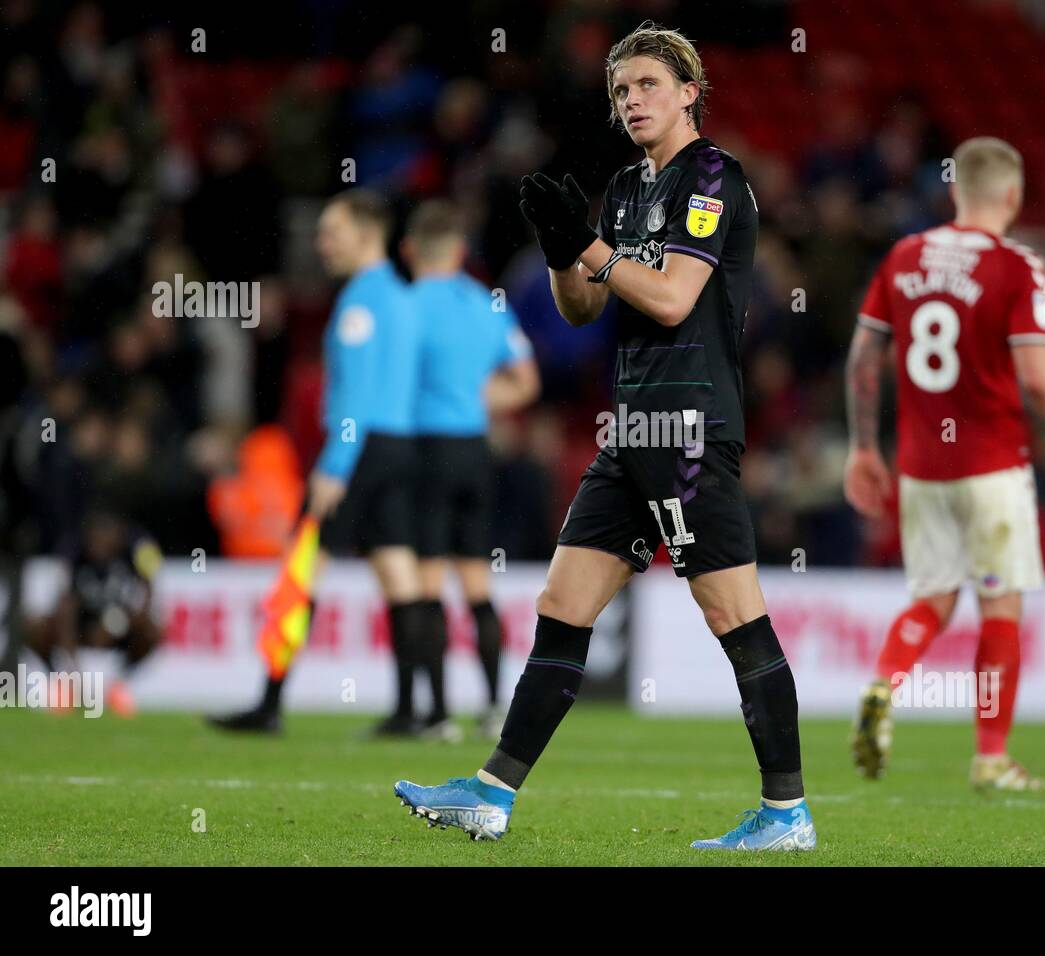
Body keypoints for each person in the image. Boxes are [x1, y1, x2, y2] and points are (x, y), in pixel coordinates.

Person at [394, 23, 816, 851]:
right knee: (562, 602)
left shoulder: (715, 178)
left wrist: (588, 244)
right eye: (621, 91)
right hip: (632, 427)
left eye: (649, 85)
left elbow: (668, 299)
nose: (632, 102)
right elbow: (584, 308)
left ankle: (787, 811)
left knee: (732, 612)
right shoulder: (625, 189)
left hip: (689, 426)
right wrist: (561, 250)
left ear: (691, 91)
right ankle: (491, 793)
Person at [843, 136, 1045, 791]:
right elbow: (1039, 377)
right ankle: (990, 757)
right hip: (991, 463)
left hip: (920, 466)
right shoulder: (1018, 266)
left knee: (931, 601)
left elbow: (861, 359)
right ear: (1013, 196)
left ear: (955, 190)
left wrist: (861, 448)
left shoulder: (904, 256)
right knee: (1000, 609)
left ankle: (885, 682)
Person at [209, 189, 424, 736]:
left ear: (366, 233)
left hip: (358, 452)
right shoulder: (402, 297)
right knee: (398, 572)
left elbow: (356, 392)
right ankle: (408, 709)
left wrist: (334, 464)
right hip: (400, 448)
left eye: (332, 231)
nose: (321, 242)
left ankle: (269, 702)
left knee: (301, 569)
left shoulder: (359, 302)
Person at [401, 200, 540, 742]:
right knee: (477, 584)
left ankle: (436, 715)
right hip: (474, 452)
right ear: (459, 252)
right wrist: (472, 398)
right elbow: (525, 383)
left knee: (429, 583)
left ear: (410, 251)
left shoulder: (406, 306)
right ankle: (492, 707)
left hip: (425, 450)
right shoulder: (487, 304)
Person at [27, 509, 163, 717]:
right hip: (81, 621)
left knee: (154, 632)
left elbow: (148, 593)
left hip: (118, 620)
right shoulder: (73, 548)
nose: (99, 547)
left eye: (105, 540)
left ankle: (116, 685)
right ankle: (63, 685)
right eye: (95, 540)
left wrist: (119, 622)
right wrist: (73, 670)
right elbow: (66, 606)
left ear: (118, 537)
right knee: (34, 627)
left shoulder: (138, 546)